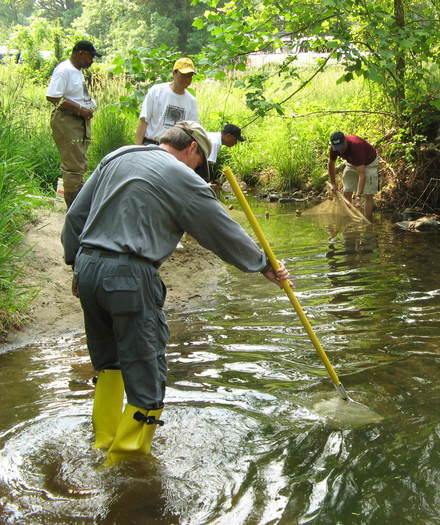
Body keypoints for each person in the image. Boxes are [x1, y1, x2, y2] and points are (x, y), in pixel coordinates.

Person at [62, 120, 290, 466]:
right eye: (199, 163)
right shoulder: (182, 177)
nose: (198, 170)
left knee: (109, 363)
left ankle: (102, 445)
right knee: (147, 374)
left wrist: (75, 264)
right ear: (192, 149)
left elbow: (76, 216)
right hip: (130, 277)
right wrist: (262, 264)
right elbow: (220, 230)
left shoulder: (118, 156)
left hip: (88, 268)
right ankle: (126, 467)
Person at [46, 40, 101, 208]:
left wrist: (89, 105)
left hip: (78, 121)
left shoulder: (76, 71)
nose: (92, 60)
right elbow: (53, 97)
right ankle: (74, 212)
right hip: (68, 121)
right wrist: (80, 109)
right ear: (80, 53)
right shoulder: (64, 70)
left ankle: (77, 208)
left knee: (79, 164)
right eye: (91, 56)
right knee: (73, 168)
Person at [135, 58, 199, 146]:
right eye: (184, 75)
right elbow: (143, 120)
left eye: (190, 76)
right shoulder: (157, 91)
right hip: (150, 144)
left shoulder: (191, 101)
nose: (187, 80)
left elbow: (192, 131)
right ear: (174, 73)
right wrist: (138, 147)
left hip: (174, 149)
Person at [328, 131, 379, 219]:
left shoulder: (356, 147)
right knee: (347, 191)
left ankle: (368, 222)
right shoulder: (334, 148)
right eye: (337, 148)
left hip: (369, 163)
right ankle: (347, 218)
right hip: (352, 162)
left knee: (368, 195)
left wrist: (358, 196)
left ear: (345, 141)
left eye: (341, 147)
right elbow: (331, 163)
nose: (340, 150)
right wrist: (333, 183)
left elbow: (362, 175)